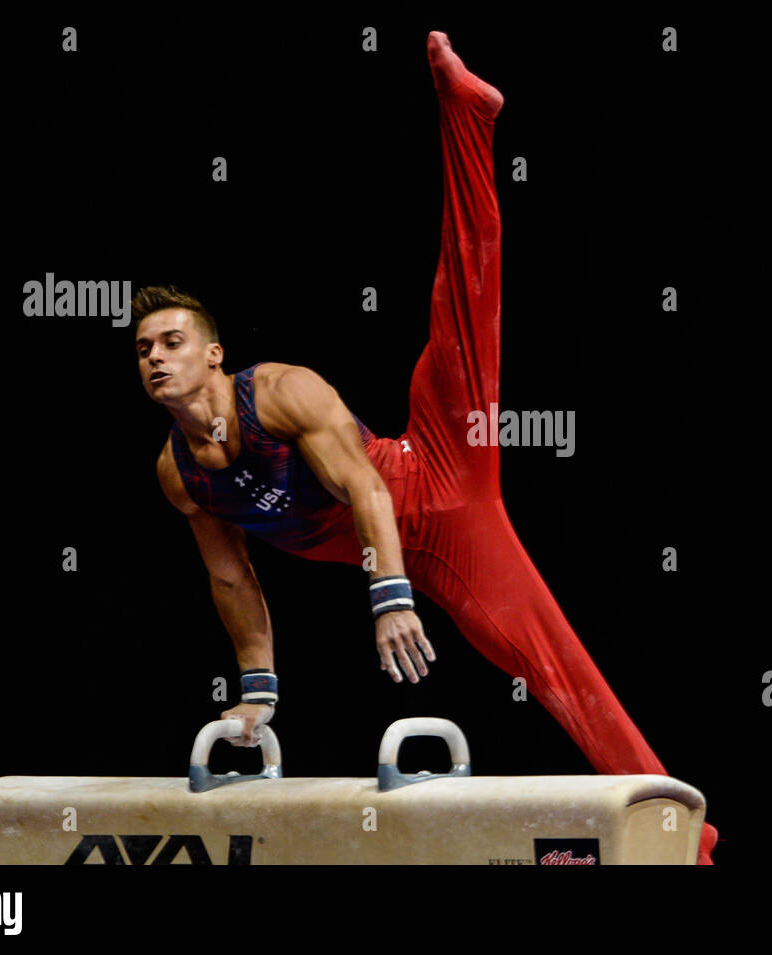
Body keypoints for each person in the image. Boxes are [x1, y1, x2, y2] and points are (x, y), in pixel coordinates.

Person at [134, 31, 718, 865]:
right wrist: (257, 690)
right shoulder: (178, 473)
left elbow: (367, 490)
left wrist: (389, 595)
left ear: (213, 353)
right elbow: (230, 573)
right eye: (143, 348)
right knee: (553, 673)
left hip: (436, 473)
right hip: (434, 552)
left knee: (465, 294)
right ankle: (689, 833)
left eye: (172, 340)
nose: (155, 355)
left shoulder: (284, 391)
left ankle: (467, 115)